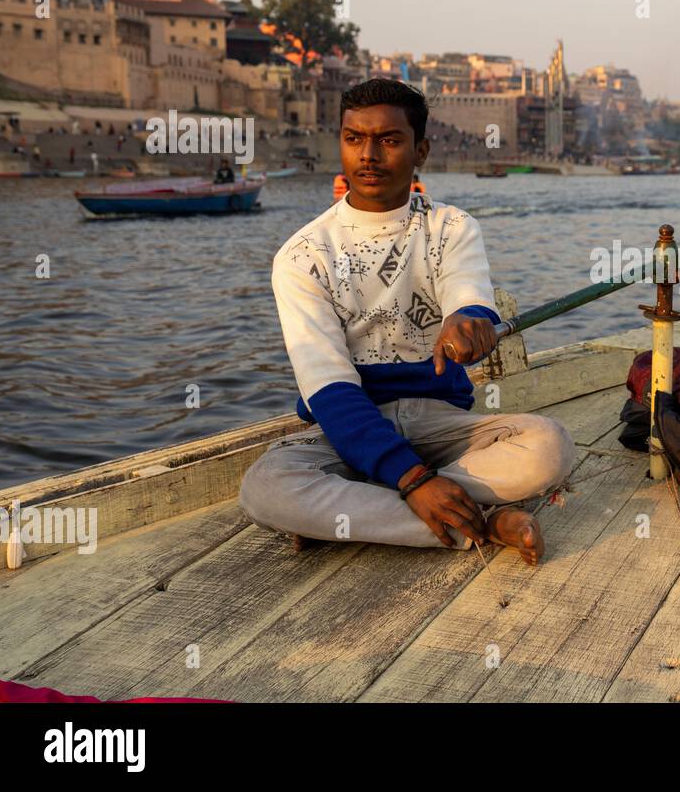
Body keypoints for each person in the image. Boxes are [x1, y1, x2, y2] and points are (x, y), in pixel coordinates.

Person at [239, 78, 573, 563]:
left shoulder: (451, 227)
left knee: (549, 445)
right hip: (348, 423)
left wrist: (469, 322)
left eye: (389, 140)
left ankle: (363, 514)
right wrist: (414, 480)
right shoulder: (302, 255)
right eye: (354, 139)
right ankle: (481, 523)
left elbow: (467, 296)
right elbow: (328, 386)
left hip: (438, 420)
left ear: (421, 151)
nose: (368, 155)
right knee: (265, 488)